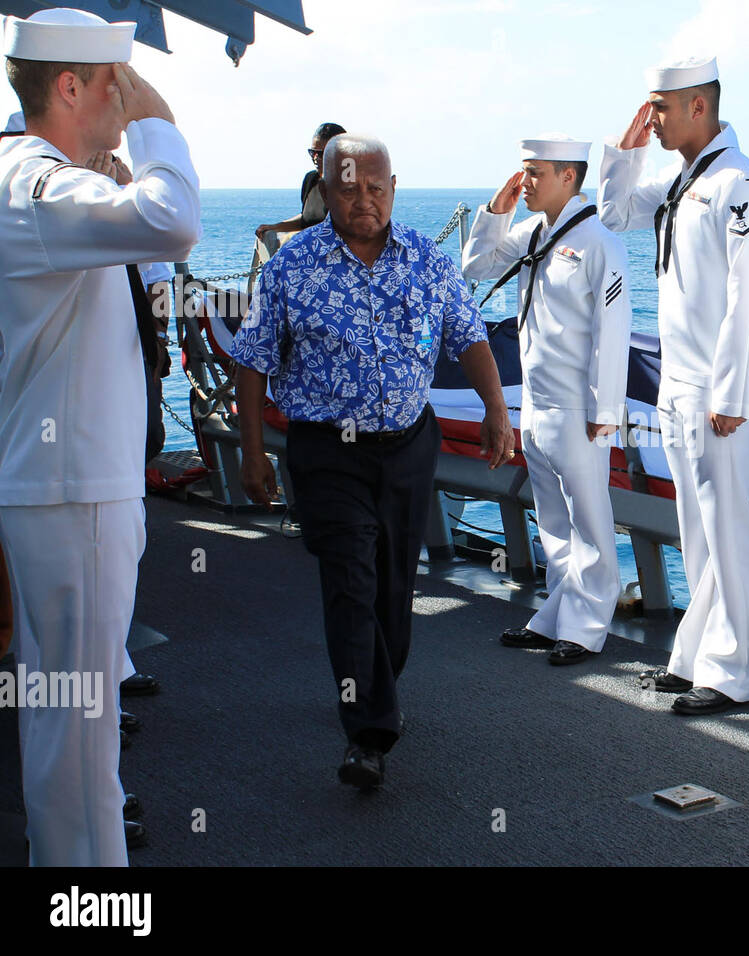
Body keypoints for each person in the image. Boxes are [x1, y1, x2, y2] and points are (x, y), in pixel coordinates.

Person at [231, 133, 514, 789]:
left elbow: (469, 336)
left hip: (408, 447)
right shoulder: (291, 266)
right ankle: (369, 735)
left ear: (394, 187)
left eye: (377, 188)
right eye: (351, 188)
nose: (365, 201)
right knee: (351, 585)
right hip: (328, 451)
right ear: (326, 190)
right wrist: (251, 453)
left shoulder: (426, 259)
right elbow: (252, 362)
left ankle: (379, 689)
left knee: (392, 594)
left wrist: (496, 409)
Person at [0, 8, 201, 865]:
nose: (126, 96)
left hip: (64, 484)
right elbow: (171, 221)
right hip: (75, 490)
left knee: (64, 720)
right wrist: (160, 120)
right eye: (116, 80)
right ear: (72, 85)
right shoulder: (37, 184)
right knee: (81, 734)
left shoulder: (39, 178)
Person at [600, 56, 749, 715]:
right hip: (678, 386)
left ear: (698, 106)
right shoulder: (680, 182)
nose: (654, 118)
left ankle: (733, 672)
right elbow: (614, 212)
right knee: (697, 526)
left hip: (716, 392)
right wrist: (626, 150)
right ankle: (699, 655)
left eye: (662, 108)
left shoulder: (739, 185)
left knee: (728, 525)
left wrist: (731, 392)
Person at [462, 135, 632, 665]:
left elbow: (613, 329)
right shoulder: (534, 231)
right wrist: (495, 211)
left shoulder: (600, 241)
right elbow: (476, 266)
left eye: (536, 173)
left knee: (590, 522)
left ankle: (586, 629)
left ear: (569, 177)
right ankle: (558, 614)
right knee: (554, 522)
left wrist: (606, 411)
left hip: (578, 407)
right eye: (525, 171)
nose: (527, 181)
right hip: (535, 403)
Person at [254, 121, 346, 240]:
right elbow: (305, 220)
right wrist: (276, 227)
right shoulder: (311, 180)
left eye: (321, 153)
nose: (315, 158)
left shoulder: (350, 187)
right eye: (312, 152)